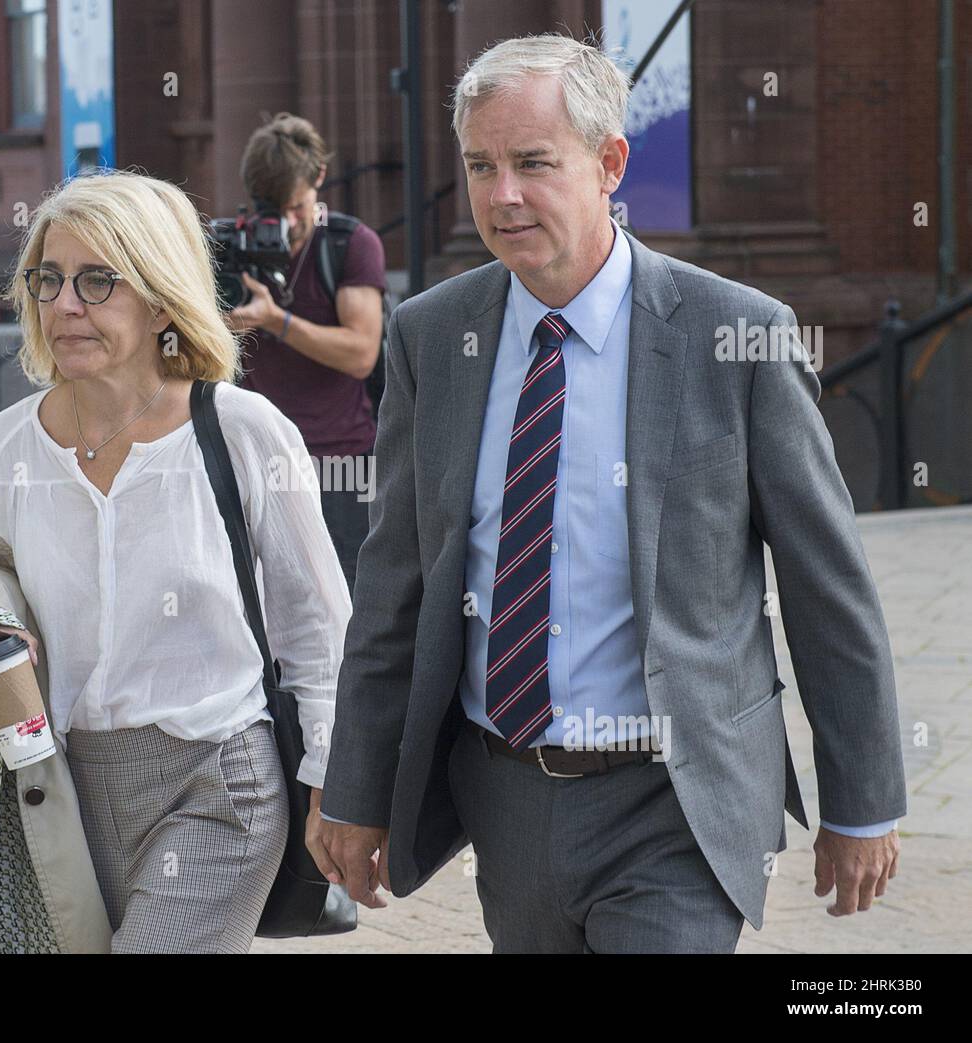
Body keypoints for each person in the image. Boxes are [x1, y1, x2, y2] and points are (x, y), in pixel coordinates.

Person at [316, 33, 907, 953]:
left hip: (676, 792)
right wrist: (354, 789)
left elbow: (829, 588)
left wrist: (864, 801)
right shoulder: (432, 337)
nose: (501, 194)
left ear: (610, 163)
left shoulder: (737, 335)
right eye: (481, 165)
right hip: (504, 793)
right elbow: (395, 581)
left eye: (533, 163)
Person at [0, 169, 351, 953]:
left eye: (100, 281)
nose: (66, 304)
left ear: (162, 296)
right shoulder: (9, 444)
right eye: (50, 279)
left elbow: (319, 623)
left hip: (217, 784)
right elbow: (25, 593)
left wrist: (333, 777)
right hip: (61, 788)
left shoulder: (242, 431)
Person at [225, 112, 387, 592]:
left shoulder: (349, 244)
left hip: (339, 466)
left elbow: (361, 353)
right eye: (272, 209)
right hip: (254, 462)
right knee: (261, 608)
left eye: (297, 206)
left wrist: (277, 321)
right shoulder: (230, 248)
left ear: (318, 179)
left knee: (343, 606)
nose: (287, 222)